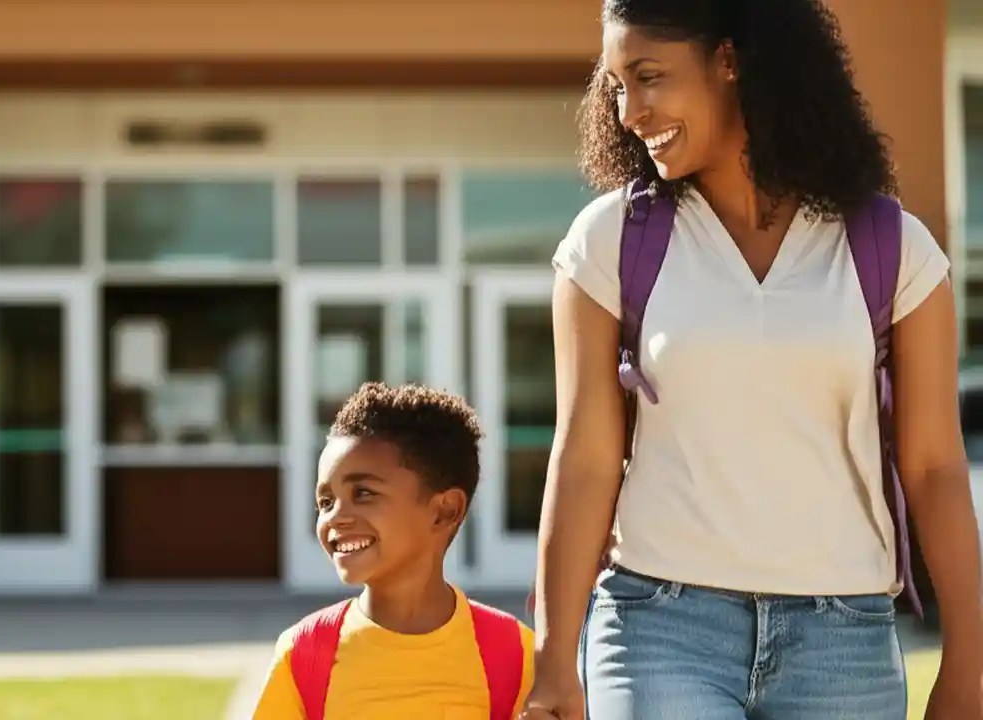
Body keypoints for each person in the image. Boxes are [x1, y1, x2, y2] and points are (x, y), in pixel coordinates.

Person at [523, 1, 983, 718]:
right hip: (658, 625)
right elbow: (583, 458)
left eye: (647, 77)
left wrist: (971, 661)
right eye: (615, 86)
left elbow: (935, 468)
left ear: (730, 62)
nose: (629, 112)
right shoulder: (611, 241)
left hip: (842, 638)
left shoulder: (892, 248)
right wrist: (555, 654)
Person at [253, 382, 534, 719]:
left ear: (444, 511)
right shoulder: (305, 654)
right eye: (325, 502)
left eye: (364, 493)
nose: (335, 518)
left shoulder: (513, 653)